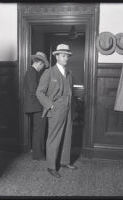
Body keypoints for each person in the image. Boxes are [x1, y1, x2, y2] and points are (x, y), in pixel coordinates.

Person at [36, 44, 77, 178]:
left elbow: (71, 92)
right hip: (55, 109)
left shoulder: (69, 73)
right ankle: (51, 166)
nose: (66, 58)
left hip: (68, 108)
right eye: (63, 56)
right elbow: (39, 93)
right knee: (53, 138)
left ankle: (64, 161)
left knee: (67, 135)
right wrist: (50, 106)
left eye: (67, 56)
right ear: (57, 56)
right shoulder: (49, 72)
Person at [24, 51, 49, 160]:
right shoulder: (32, 72)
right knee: (39, 130)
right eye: (43, 65)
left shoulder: (31, 71)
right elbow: (35, 91)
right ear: (39, 63)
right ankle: (38, 155)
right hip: (36, 106)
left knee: (38, 129)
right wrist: (45, 103)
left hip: (34, 105)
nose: (43, 68)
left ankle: (38, 153)